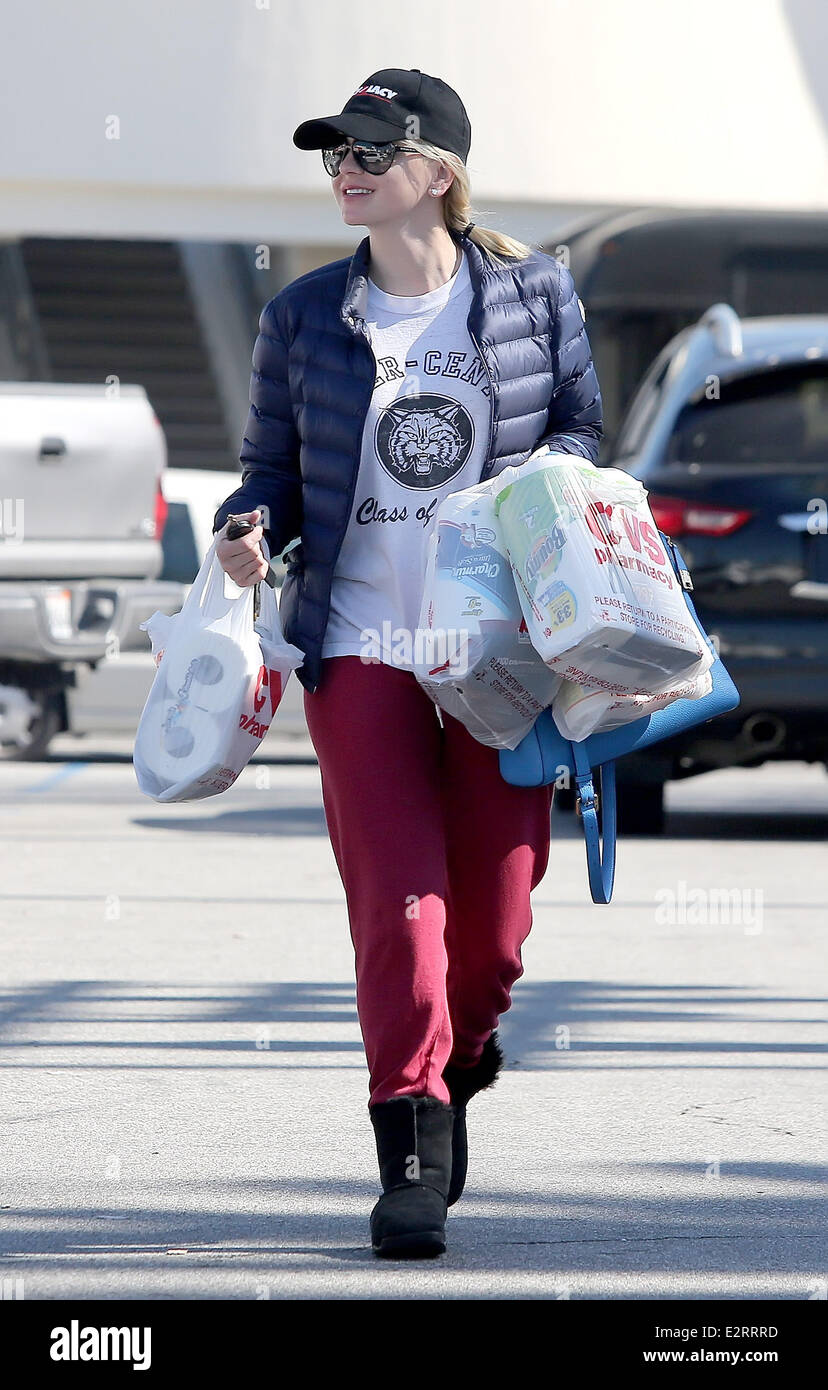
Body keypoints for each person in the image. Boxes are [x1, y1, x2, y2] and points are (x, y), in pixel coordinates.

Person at [212, 67, 602, 1259]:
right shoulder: (300, 318)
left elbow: (583, 428)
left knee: (492, 928)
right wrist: (246, 529)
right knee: (402, 903)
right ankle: (412, 1143)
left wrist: (539, 497)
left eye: (370, 152)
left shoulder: (534, 297)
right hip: (363, 643)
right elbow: (269, 472)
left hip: (500, 650)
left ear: (437, 173)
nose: (346, 169)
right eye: (335, 153)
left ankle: (465, 1051)